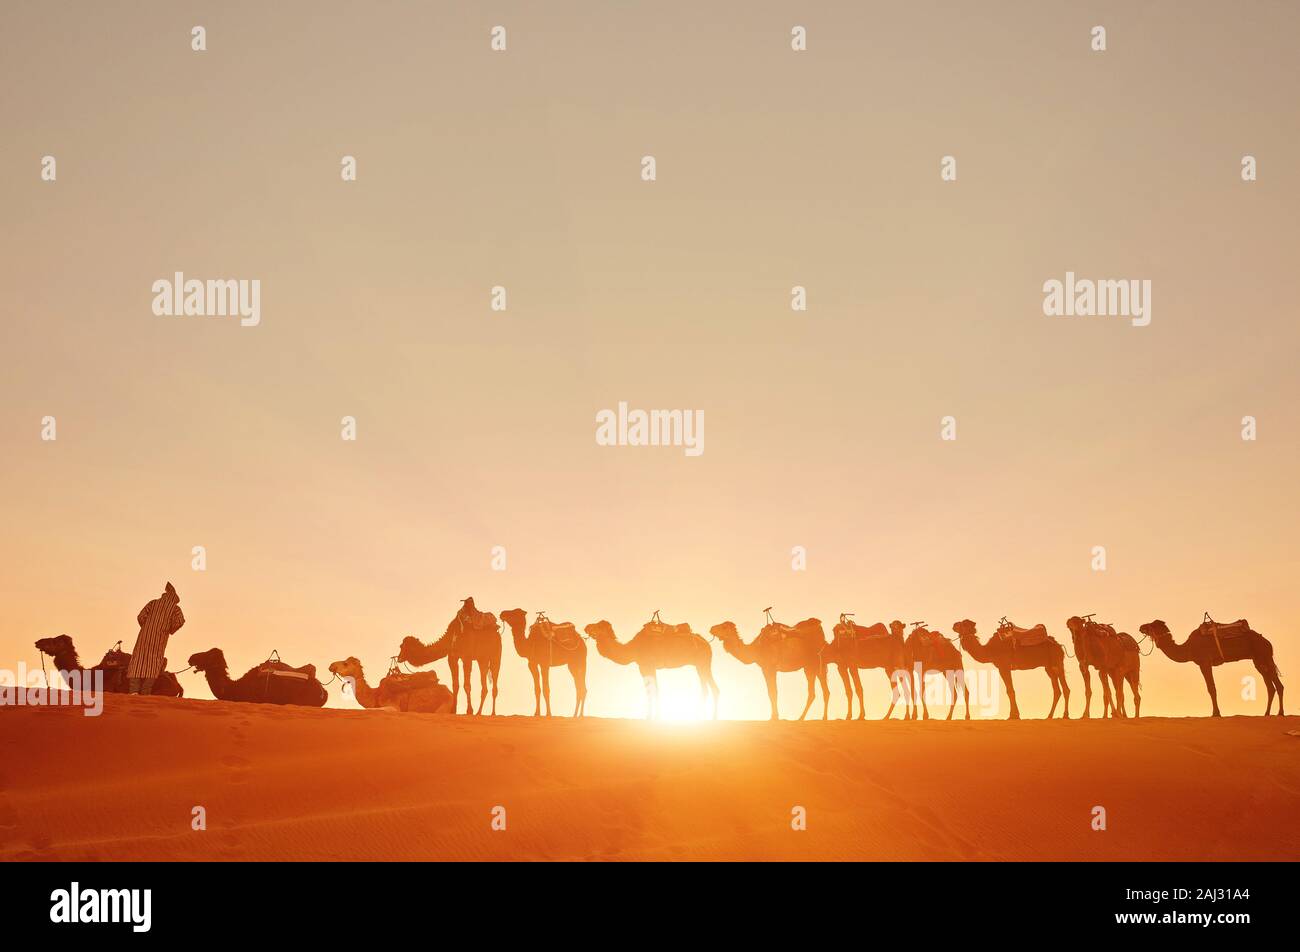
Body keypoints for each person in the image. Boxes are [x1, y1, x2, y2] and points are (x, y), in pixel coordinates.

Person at [125, 582, 185, 694]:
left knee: (137, 663)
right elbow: (180, 621)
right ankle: (145, 692)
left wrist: (146, 627)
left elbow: (140, 616)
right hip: (158, 642)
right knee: (153, 666)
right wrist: (169, 629)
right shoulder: (175, 609)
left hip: (143, 639)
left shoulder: (153, 603)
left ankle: (133, 692)